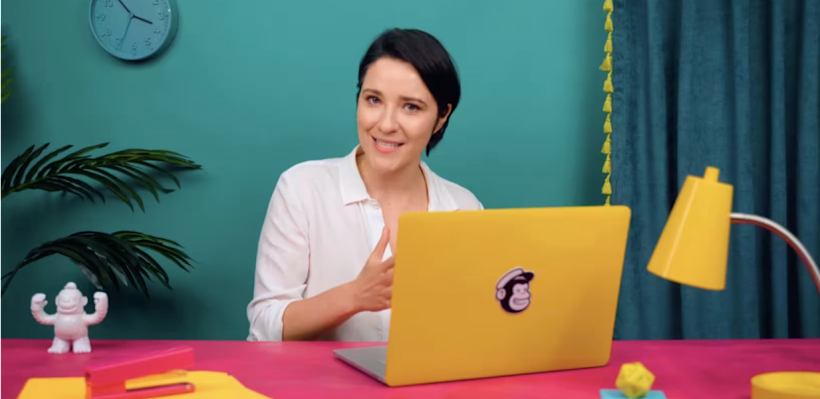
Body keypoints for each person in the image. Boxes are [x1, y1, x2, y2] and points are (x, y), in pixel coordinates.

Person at [246, 28, 483, 342]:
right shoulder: (302, 188)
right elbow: (265, 326)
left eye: (411, 106)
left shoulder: (465, 209)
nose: (385, 124)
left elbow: (472, 328)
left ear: (441, 117)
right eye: (373, 100)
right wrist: (354, 296)